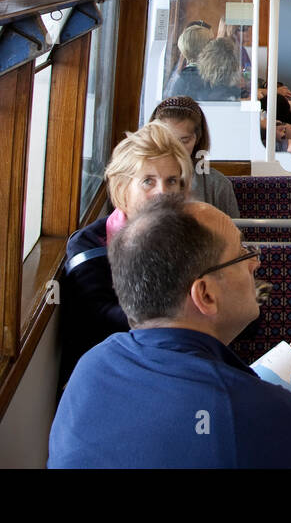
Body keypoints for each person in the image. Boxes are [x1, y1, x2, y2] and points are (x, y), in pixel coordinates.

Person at [49, 196, 291, 468]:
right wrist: (275, 406)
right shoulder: (267, 414)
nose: (254, 262)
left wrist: (275, 389)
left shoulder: (90, 367)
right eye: (241, 253)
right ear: (206, 294)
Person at [58, 121, 194, 389]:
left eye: (172, 181)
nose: (162, 193)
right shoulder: (89, 245)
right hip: (109, 378)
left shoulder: (194, 238)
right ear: (122, 188)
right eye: (148, 181)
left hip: (178, 370)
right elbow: (101, 317)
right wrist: (187, 318)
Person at [149, 95, 240, 217]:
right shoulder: (139, 180)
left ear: (197, 139)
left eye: (184, 140)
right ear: (153, 138)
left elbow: (232, 234)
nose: (175, 149)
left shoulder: (217, 185)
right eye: (167, 140)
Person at [167, 23, 213, 97]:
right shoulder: (199, 78)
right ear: (203, 49)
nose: (214, 46)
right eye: (211, 42)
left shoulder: (184, 76)